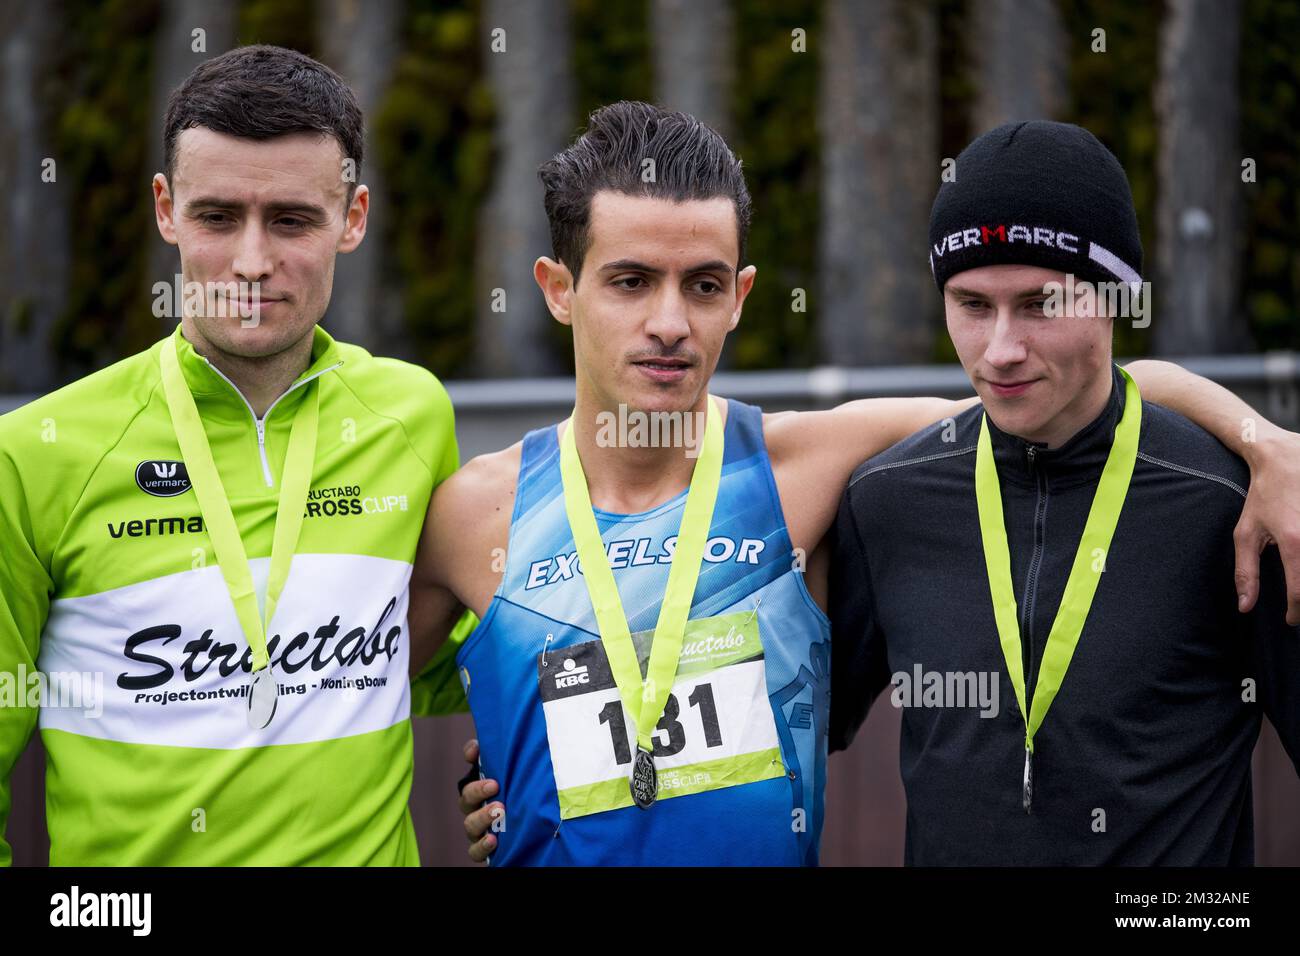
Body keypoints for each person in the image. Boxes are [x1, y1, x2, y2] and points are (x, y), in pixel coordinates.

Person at [422, 104, 1300, 864]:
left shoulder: (823, 464)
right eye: (629, 282)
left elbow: (1092, 397)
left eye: (702, 285)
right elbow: (333, 698)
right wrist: (516, 766)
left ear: (741, 295)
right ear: (557, 289)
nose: (668, 324)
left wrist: (1267, 443)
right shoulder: (468, 514)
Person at [0, 45, 465, 866]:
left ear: (353, 218)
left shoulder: (411, 415)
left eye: (291, 220)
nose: (252, 263)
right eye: (218, 218)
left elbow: (438, 668)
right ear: (166, 210)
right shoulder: (35, 452)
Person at [829, 120, 1300, 864]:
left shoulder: (1235, 508)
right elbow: (792, 740)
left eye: (1042, 304)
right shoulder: (888, 501)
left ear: (1116, 297)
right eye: (972, 305)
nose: (1001, 350)